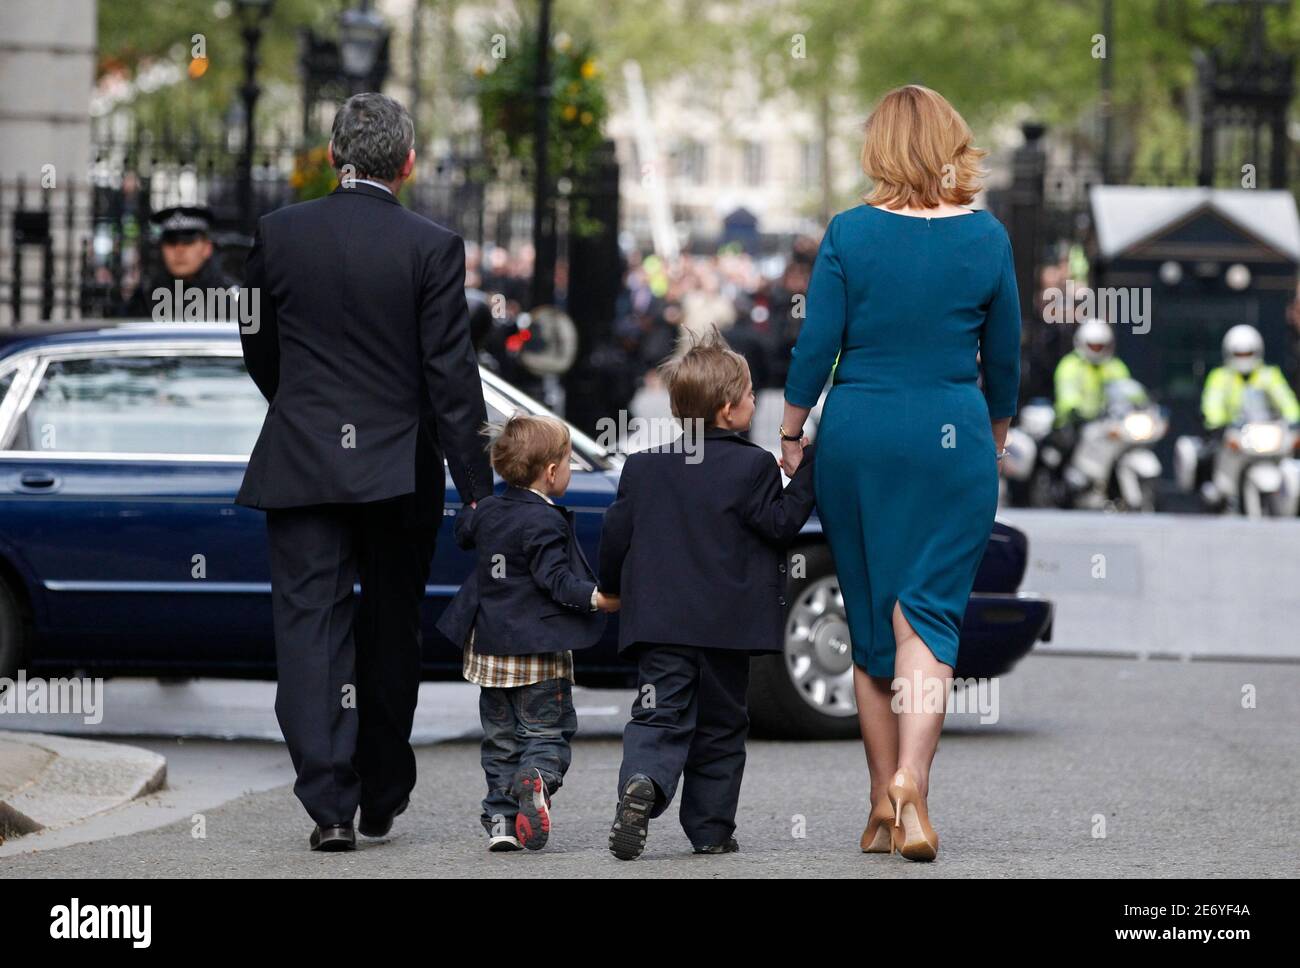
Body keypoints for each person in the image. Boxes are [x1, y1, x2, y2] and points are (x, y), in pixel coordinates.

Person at [237, 93, 494, 852]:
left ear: (331, 157)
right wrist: (478, 489)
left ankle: (330, 806)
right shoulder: (434, 247)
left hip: (301, 460)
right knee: (390, 629)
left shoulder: (276, 235)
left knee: (309, 632)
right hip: (398, 469)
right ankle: (381, 788)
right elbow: (452, 380)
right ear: (408, 165)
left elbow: (258, 344)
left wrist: (300, 407)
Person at [779, 85, 1021, 861]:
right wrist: (997, 431)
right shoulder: (987, 238)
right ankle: (912, 782)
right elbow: (1009, 354)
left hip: (861, 432)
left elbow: (817, 341)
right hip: (951, 433)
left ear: (878, 148)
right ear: (953, 143)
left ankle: (883, 801)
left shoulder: (849, 233)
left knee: (871, 620)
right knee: (928, 619)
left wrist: (791, 428)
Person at [599, 328, 817, 860]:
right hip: (727, 627)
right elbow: (781, 524)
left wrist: (609, 589)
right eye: (747, 395)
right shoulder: (752, 466)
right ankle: (710, 829)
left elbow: (615, 535)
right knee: (721, 726)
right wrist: (810, 467)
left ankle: (644, 780)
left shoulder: (643, 467)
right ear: (727, 410)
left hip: (660, 625)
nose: (752, 402)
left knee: (657, 712)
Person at [435, 415, 619, 852]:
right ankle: (535, 779)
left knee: (499, 739)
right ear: (552, 472)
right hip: (538, 650)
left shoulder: (488, 512)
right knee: (547, 733)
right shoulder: (546, 522)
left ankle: (501, 821)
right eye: (568, 462)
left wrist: (473, 508)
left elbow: (464, 530)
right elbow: (555, 581)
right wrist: (599, 598)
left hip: (489, 652)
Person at [1195, 324, 1300, 498]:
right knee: (1224, 457)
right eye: (1239, 354)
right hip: (1236, 433)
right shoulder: (1221, 377)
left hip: (1265, 433)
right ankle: (1224, 493)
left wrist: (1294, 419)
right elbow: (1212, 403)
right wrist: (1217, 422)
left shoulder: (1269, 375)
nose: (1243, 358)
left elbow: (1286, 400)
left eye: (1247, 354)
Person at [121, 205, 240, 319]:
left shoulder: (231, 297)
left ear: (207, 248)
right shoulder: (144, 299)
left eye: (188, 242)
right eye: (171, 242)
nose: (179, 250)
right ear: (161, 248)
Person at [1053, 318, 1131, 429]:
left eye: (1100, 346)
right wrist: (1074, 411)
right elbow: (1067, 396)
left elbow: (1128, 390)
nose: (1096, 350)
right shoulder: (1070, 366)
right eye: (1092, 346)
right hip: (1075, 426)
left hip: (1110, 426)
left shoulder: (1116, 366)